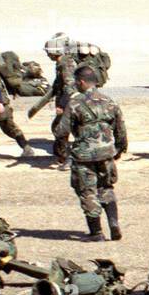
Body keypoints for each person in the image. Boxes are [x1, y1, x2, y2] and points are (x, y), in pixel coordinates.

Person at [54, 66, 127, 241]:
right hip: (106, 153)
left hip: (84, 156)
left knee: (87, 191)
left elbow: (61, 131)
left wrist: (62, 152)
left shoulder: (75, 103)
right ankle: (114, 224)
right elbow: (120, 129)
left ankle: (96, 233)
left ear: (81, 82)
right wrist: (119, 149)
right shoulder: (109, 101)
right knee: (106, 188)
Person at [29, 34, 79, 169]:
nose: (48, 55)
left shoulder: (65, 63)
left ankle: (69, 158)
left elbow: (69, 86)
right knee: (63, 129)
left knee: (60, 129)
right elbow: (58, 85)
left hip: (70, 103)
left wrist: (62, 105)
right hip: (71, 102)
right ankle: (63, 156)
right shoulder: (63, 62)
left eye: (49, 52)